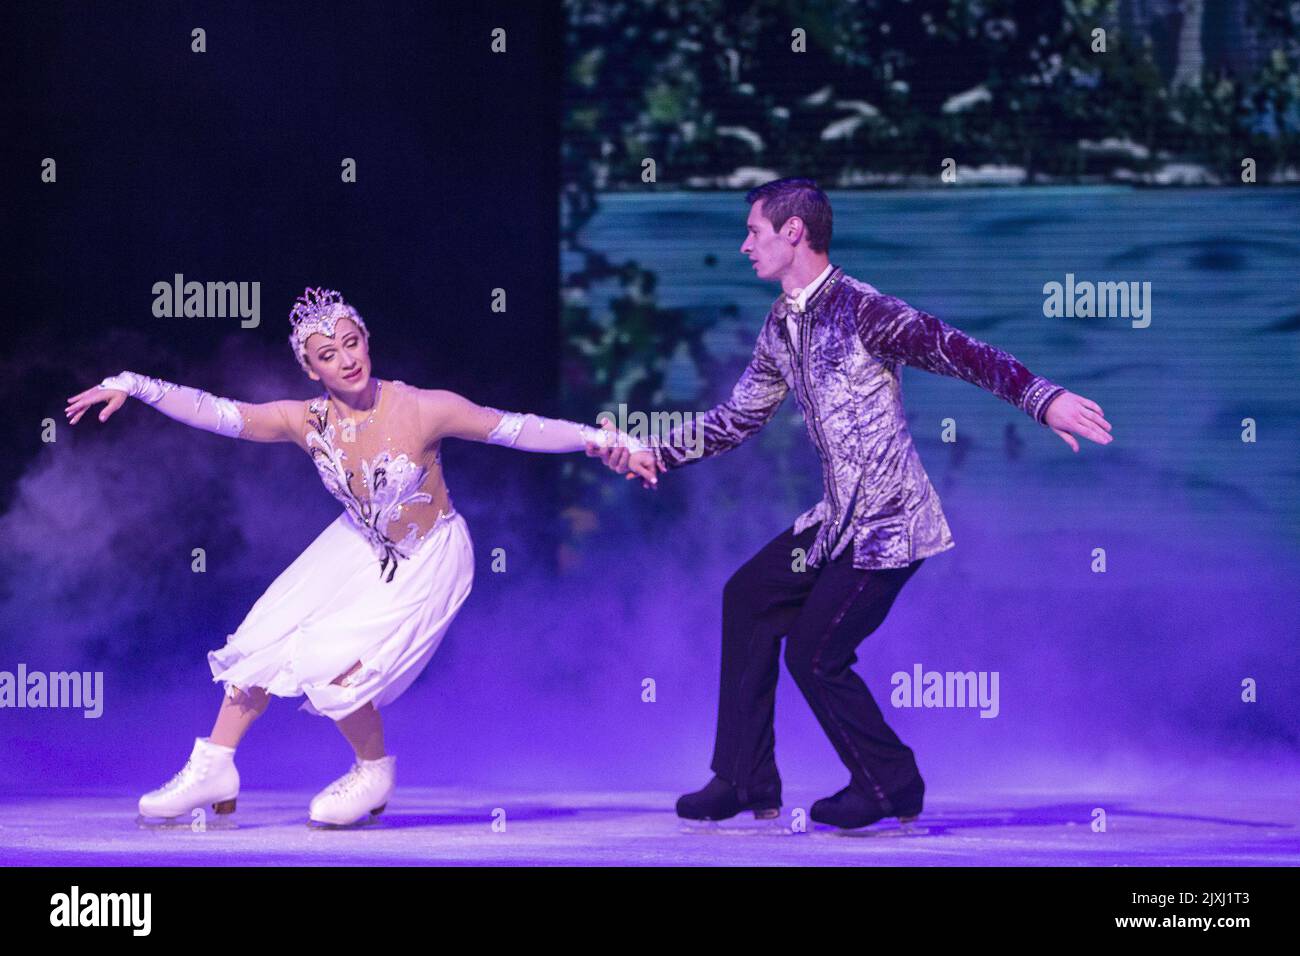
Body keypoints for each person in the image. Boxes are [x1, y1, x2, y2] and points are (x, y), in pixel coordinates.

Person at [590, 178, 1113, 830]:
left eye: (754, 231)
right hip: (838, 519)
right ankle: (743, 777)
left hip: (890, 523)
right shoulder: (782, 323)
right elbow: (738, 417)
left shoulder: (864, 309)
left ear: (794, 232)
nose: (744, 244)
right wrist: (657, 453)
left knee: (815, 653)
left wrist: (1040, 396)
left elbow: (957, 350)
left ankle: (889, 784)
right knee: (749, 597)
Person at [65, 286, 655, 828]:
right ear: (311, 368)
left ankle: (373, 772)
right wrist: (134, 383)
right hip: (359, 542)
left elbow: (516, 428)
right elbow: (220, 413)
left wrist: (600, 437)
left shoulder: (422, 407)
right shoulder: (307, 420)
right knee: (267, 632)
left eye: (352, 342)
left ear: (366, 341)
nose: (346, 359)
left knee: (330, 661)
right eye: (328, 354)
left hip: (430, 554)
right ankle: (215, 764)